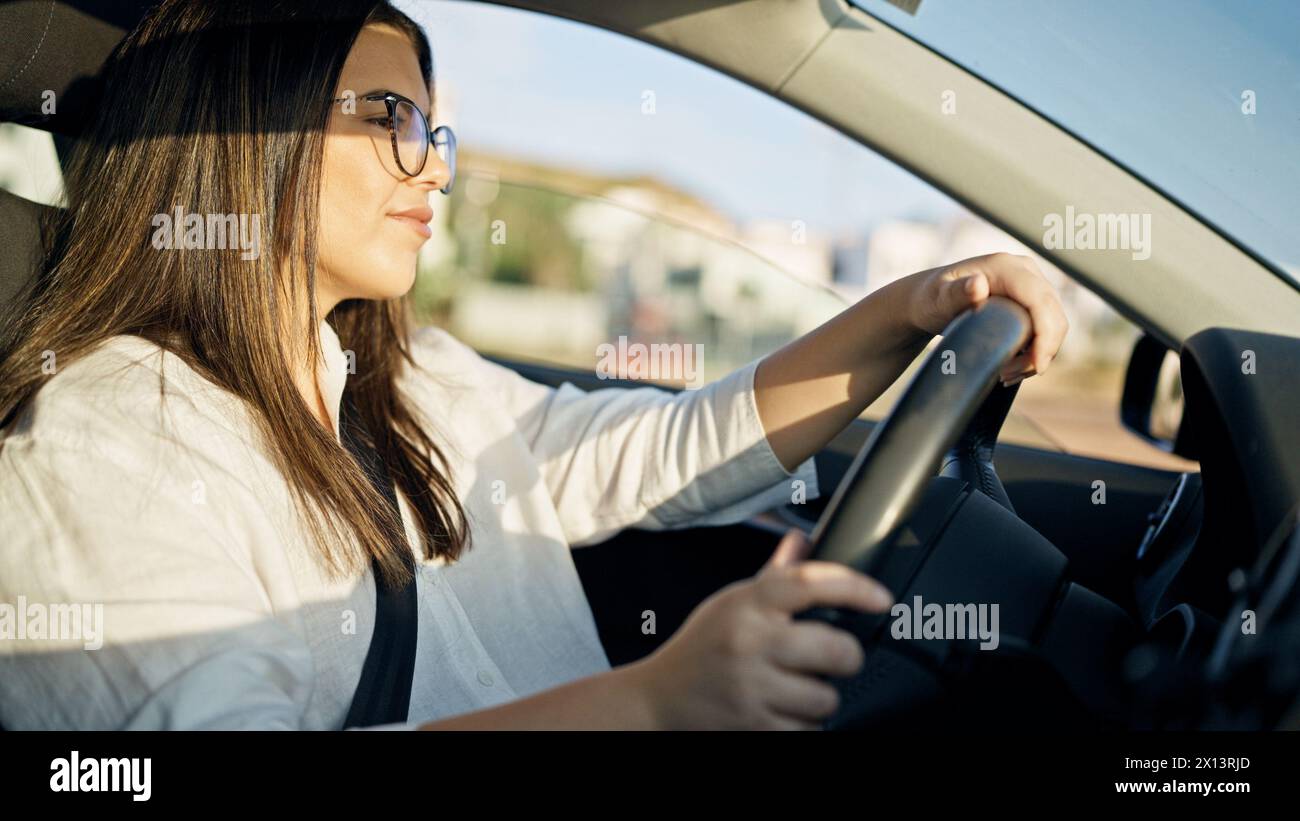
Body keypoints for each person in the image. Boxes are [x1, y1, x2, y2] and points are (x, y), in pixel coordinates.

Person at [0, 0, 1067, 730]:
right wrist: (647, 704)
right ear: (237, 131)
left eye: (436, 129)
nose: (432, 168)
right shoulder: (105, 447)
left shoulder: (408, 375)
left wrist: (915, 309)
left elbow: (657, 450)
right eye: (389, 117)